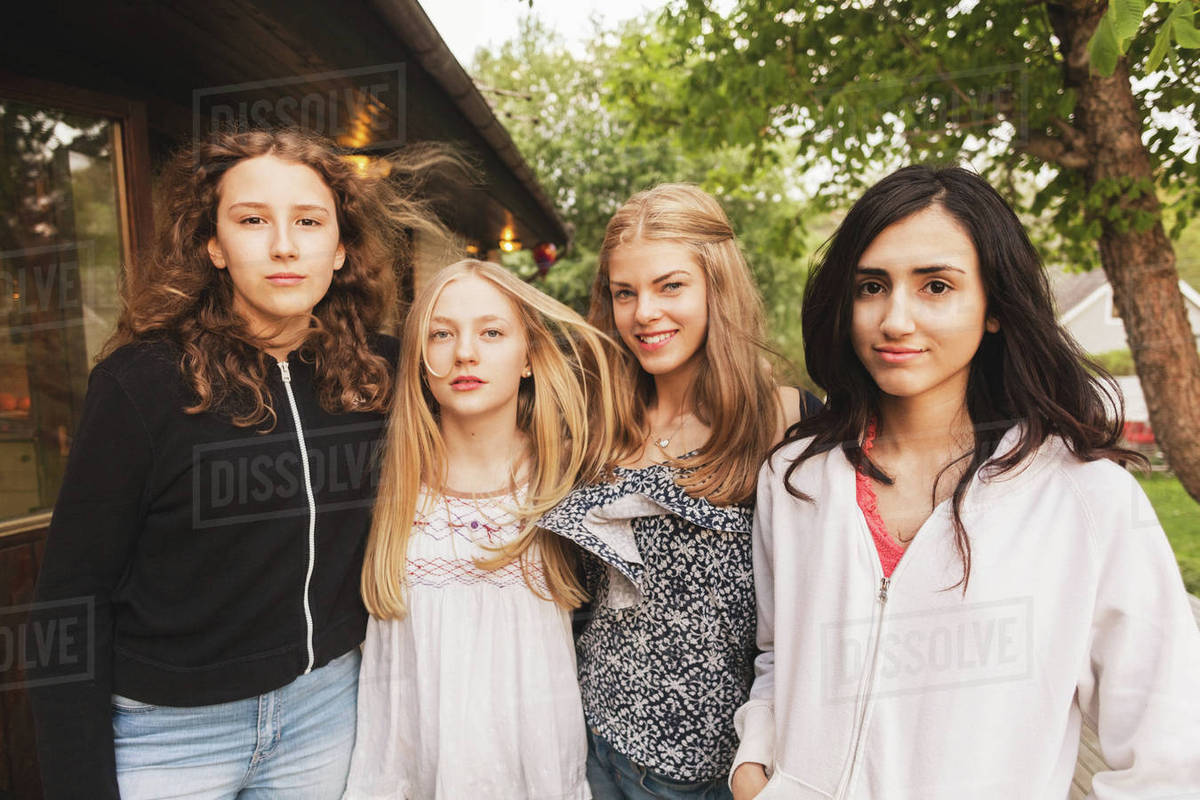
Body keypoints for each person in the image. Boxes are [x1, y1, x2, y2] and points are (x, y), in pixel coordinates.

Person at [730, 165, 1200, 799]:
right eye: (872, 285)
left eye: (935, 286)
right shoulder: (796, 478)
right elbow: (777, 654)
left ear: (996, 309)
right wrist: (756, 761)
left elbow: (1166, 754)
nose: (895, 319)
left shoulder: (1087, 499)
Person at [28, 129, 449, 800]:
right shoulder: (143, 384)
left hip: (326, 710)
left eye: (309, 222)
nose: (284, 245)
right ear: (214, 244)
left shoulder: (378, 372)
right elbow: (69, 598)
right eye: (252, 220)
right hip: (171, 733)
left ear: (339, 247)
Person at [538, 184, 819, 800]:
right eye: (624, 292)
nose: (644, 313)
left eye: (670, 286)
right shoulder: (597, 422)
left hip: (728, 772)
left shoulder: (787, 422)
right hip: (597, 745)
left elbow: (818, 608)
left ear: (715, 286)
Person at [343, 259, 619, 800]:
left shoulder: (568, 477)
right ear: (421, 363)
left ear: (529, 358)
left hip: (531, 772)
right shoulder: (384, 483)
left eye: (491, 333)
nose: (464, 353)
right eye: (441, 334)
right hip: (411, 775)